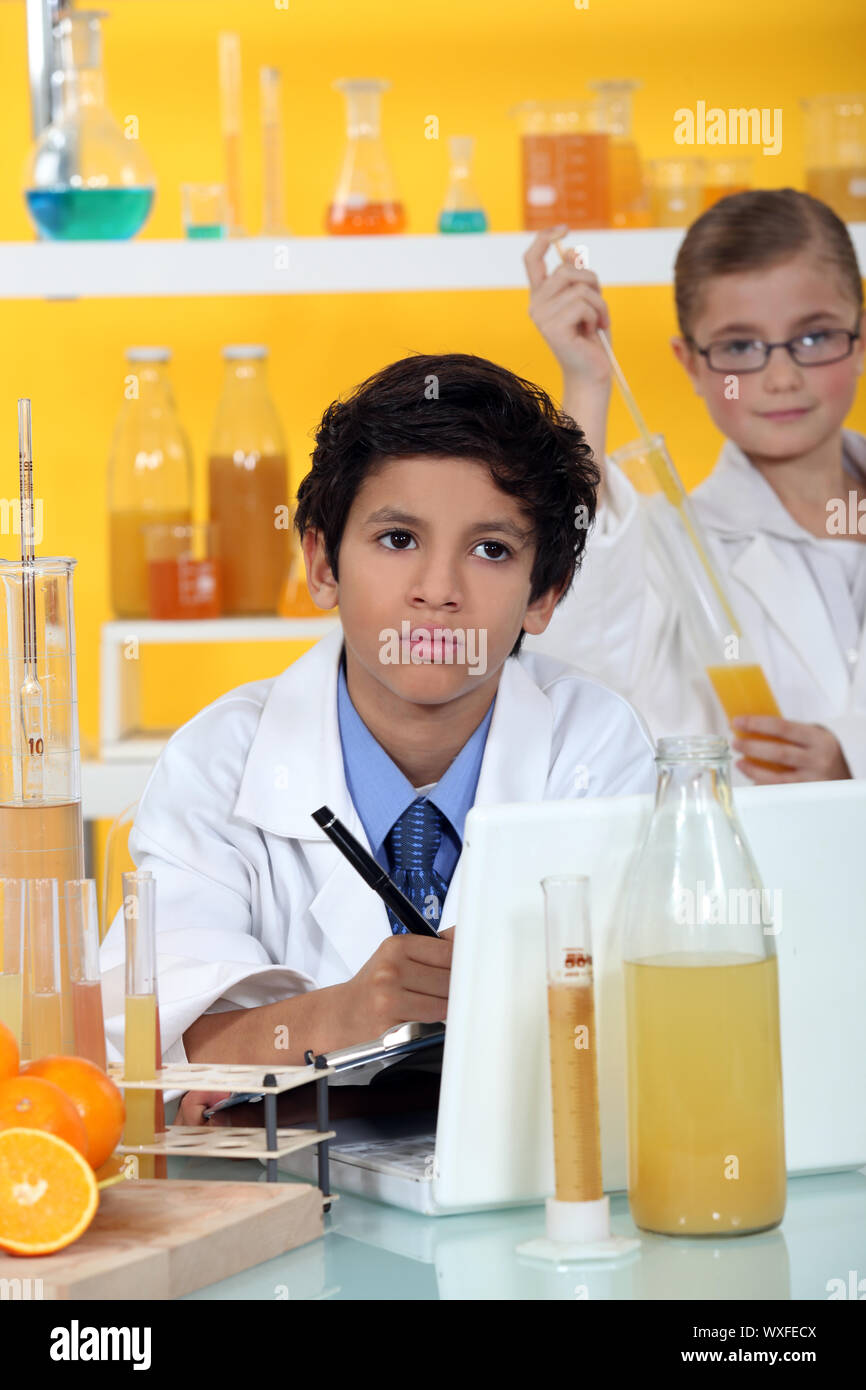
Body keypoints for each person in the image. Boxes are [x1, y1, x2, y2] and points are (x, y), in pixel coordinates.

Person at [98, 352, 655, 1123]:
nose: (438, 589)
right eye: (398, 539)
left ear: (545, 595)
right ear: (323, 563)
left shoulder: (593, 747)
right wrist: (349, 1013)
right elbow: (151, 1046)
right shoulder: (217, 762)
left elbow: (640, 1015)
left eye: (491, 550)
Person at [523, 190, 866, 783]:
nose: (781, 378)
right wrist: (587, 381)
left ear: (860, 338)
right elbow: (583, 662)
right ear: (690, 365)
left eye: (813, 337)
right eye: (739, 347)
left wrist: (850, 760)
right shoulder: (671, 552)